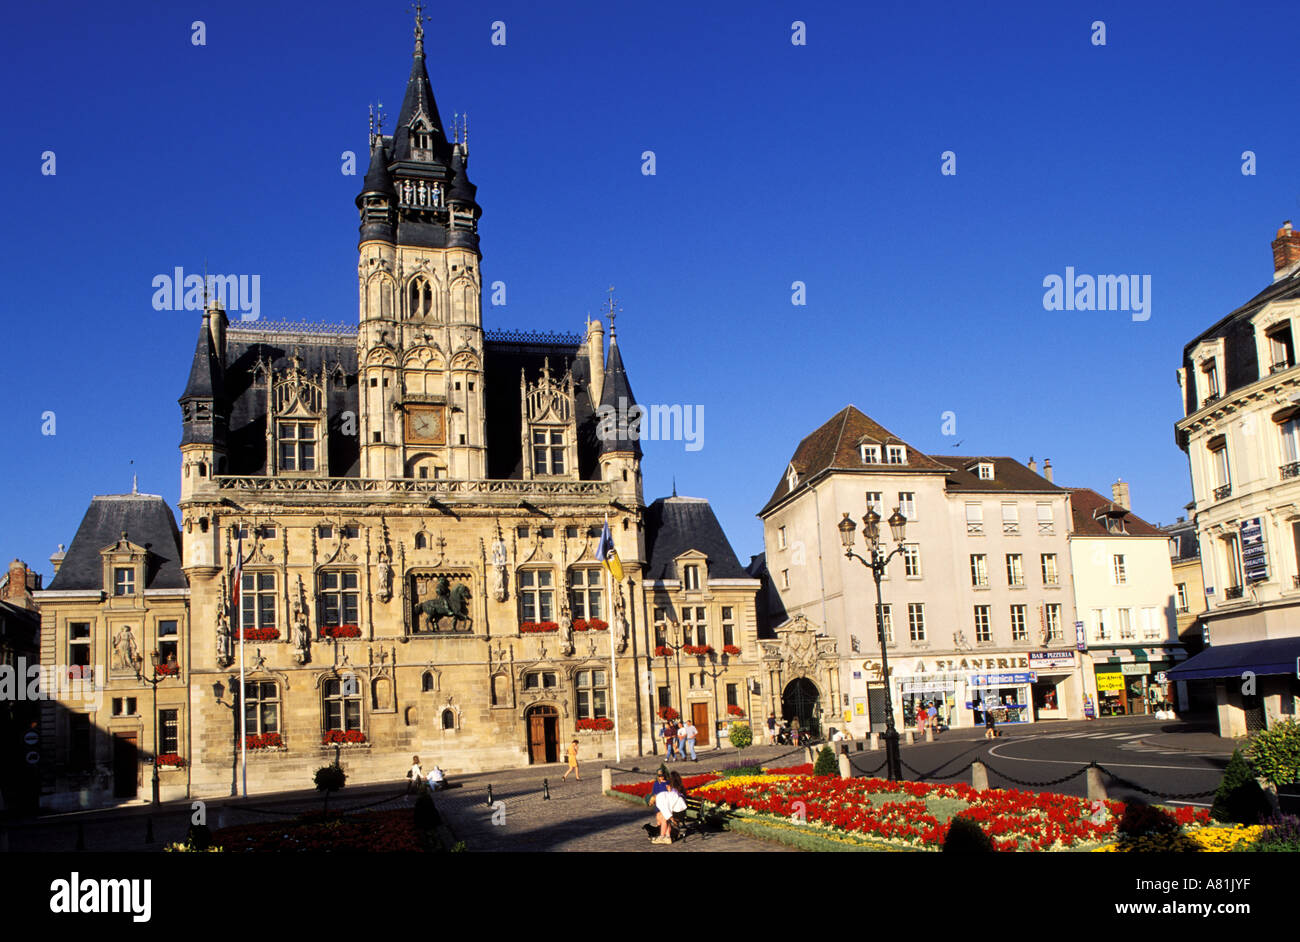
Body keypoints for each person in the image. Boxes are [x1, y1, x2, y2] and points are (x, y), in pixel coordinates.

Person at [651, 770, 688, 845]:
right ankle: (665, 836)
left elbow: (671, 802)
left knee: (664, 816)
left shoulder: (674, 791)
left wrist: (671, 818)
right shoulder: (677, 788)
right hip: (679, 811)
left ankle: (664, 836)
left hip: (678, 813)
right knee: (661, 815)